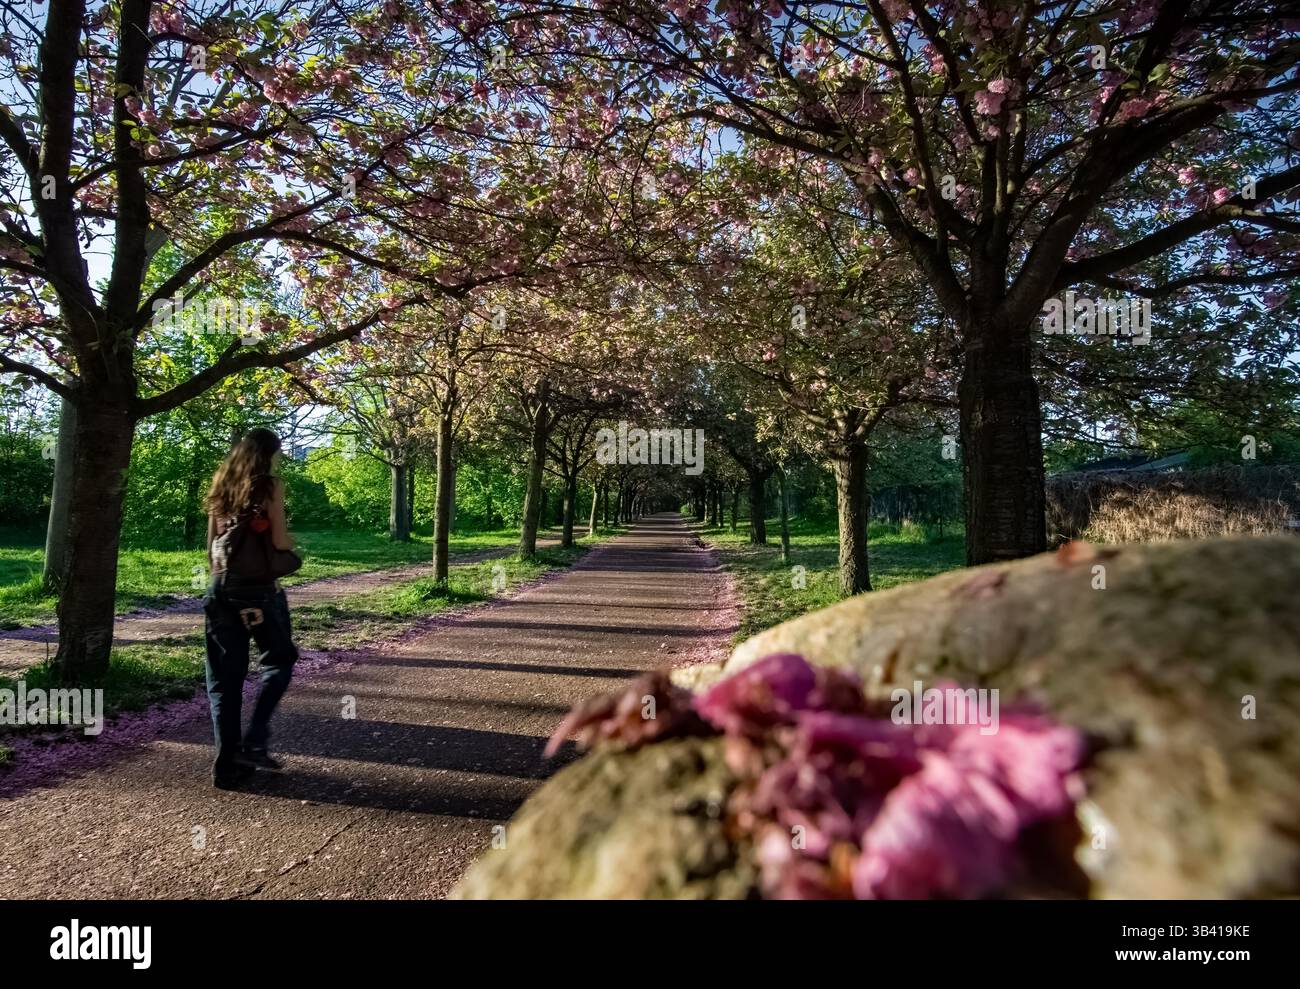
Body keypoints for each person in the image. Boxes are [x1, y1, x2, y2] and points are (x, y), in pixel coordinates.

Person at [202, 427, 299, 790]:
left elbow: (212, 547)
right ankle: (255, 738)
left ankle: (226, 766)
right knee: (279, 660)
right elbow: (278, 540)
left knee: (223, 680)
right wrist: (293, 544)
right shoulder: (269, 485)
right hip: (259, 592)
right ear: (270, 454)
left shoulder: (221, 484)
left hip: (220, 590)